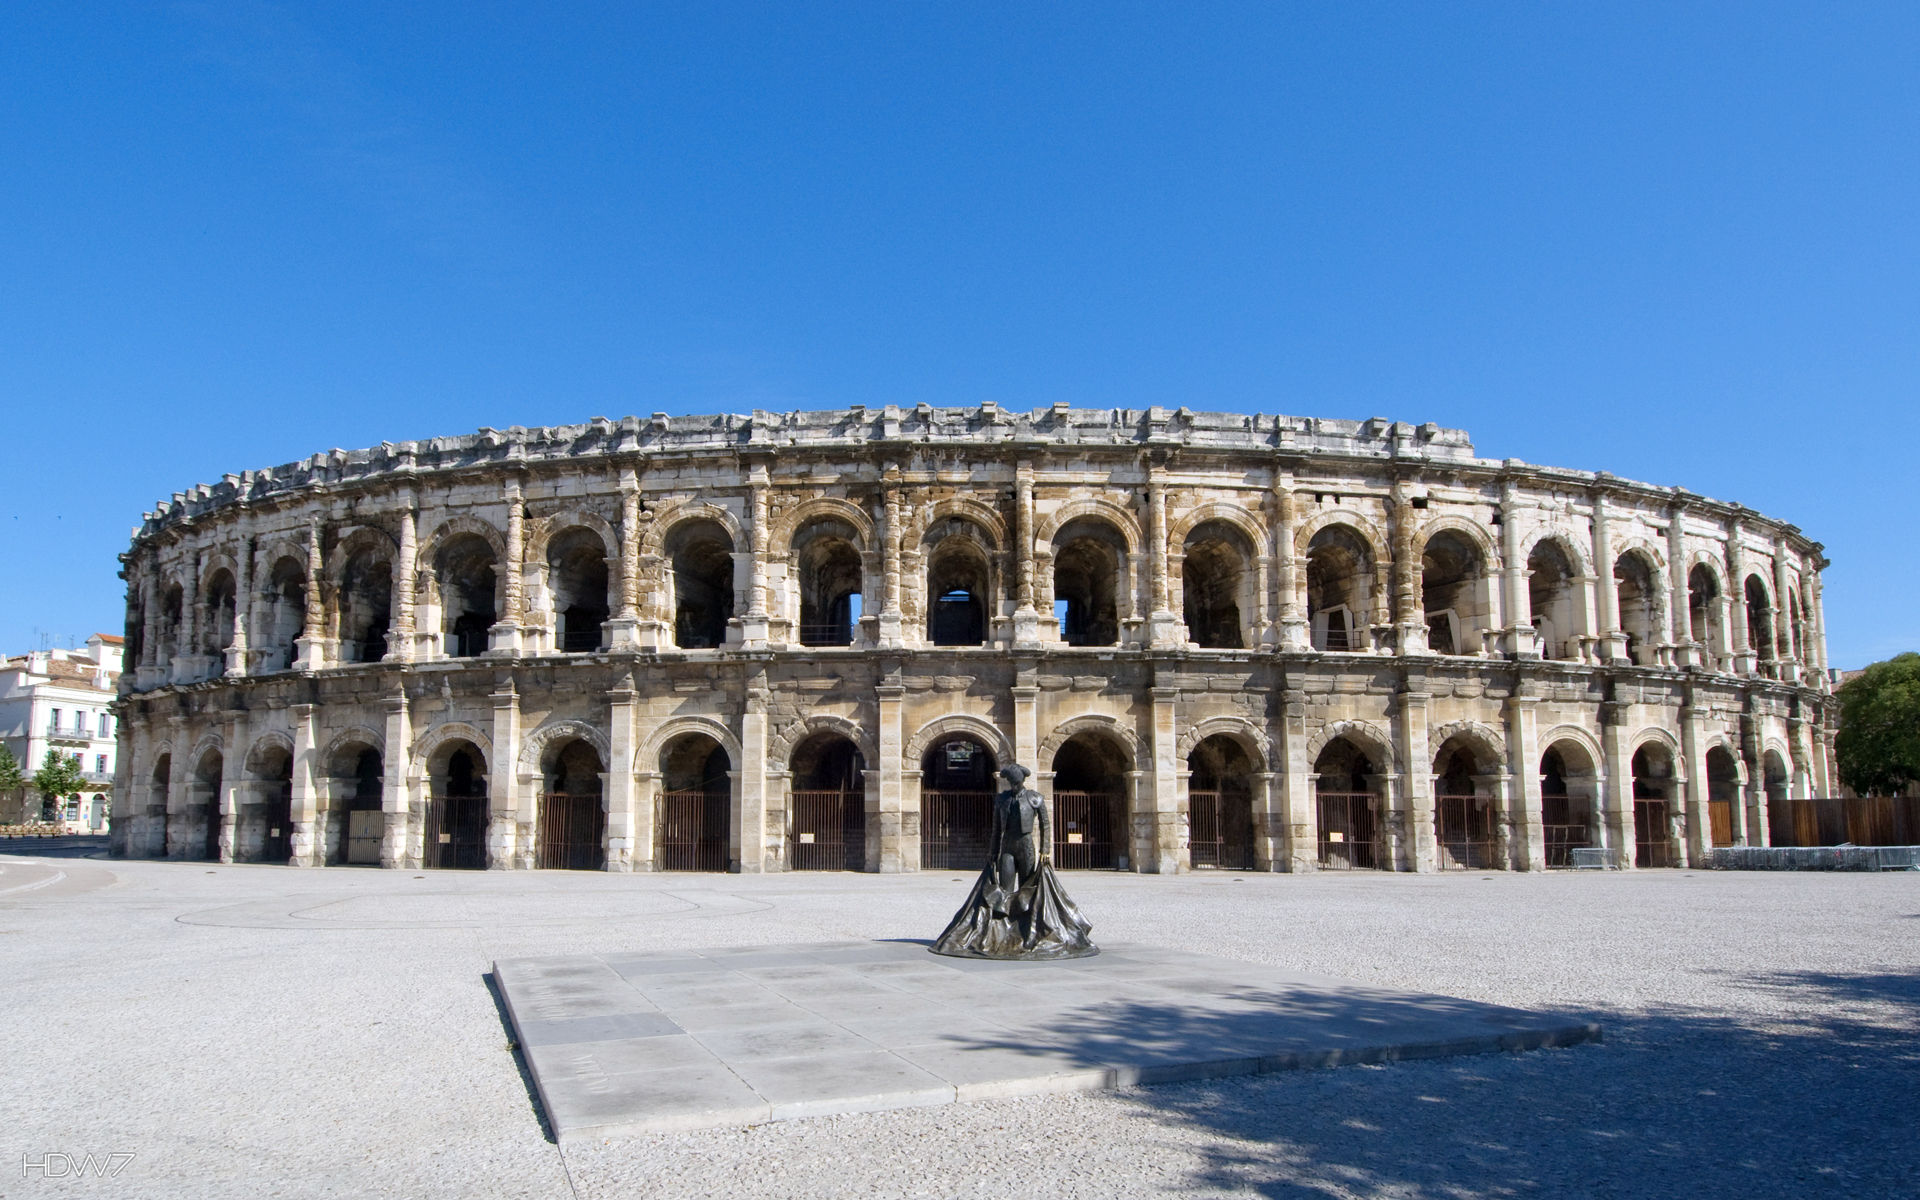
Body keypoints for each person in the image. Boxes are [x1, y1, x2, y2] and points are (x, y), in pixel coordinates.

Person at [931, 763, 1097, 959]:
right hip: (1007, 846)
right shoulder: (1002, 799)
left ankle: (1026, 930)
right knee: (1005, 890)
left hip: (1026, 846)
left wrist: (1045, 850)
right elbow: (996, 829)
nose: (1013, 784)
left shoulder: (1035, 798)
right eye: (1011, 781)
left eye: (1016, 781)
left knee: (1027, 890)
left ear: (1021, 781)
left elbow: (1045, 825)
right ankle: (1003, 933)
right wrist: (993, 852)